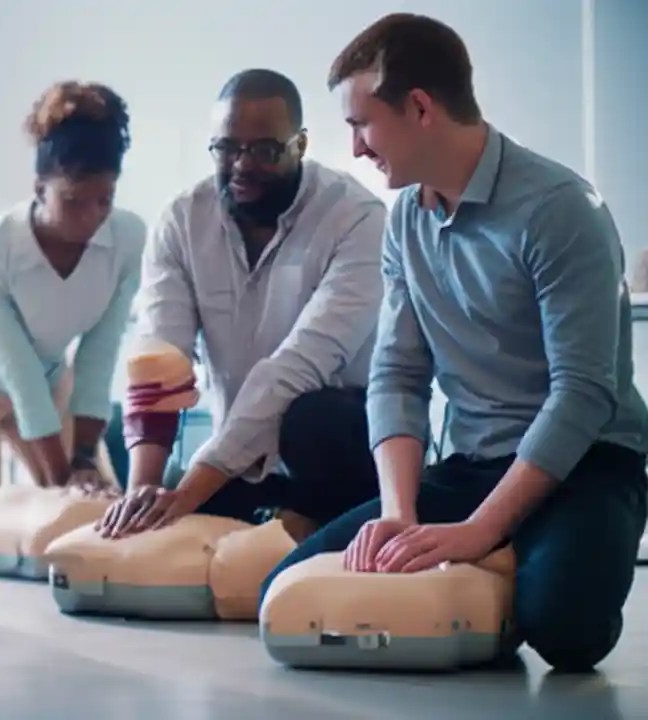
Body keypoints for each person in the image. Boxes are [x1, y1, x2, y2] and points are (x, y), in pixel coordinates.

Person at [260, 14, 648, 672]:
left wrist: (480, 531)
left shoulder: (560, 209)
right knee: (289, 590)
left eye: (361, 124)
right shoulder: (405, 222)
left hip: (588, 464)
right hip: (474, 463)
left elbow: (582, 393)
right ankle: (507, 555)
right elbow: (396, 377)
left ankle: (519, 551)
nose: (355, 147)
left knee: (568, 631)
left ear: (419, 108)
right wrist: (399, 513)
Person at [98, 69, 386, 542]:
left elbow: (299, 366)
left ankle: (314, 527)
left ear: (300, 145)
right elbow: (160, 357)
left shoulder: (357, 219)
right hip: (241, 459)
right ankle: (274, 521)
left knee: (313, 417)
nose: (241, 165)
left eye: (264, 150)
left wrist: (191, 488)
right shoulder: (183, 220)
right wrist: (142, 491)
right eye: (227, 148)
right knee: (173, 499)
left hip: (338, 452)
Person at [0, 81, 142, 532]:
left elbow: (99, 354)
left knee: (100, 517)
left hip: (51, 377)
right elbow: (18, 372)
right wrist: (63, 481)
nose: (91, 217)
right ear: (39, 188)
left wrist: (83, 461)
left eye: (104, 200)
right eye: (72, 201)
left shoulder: (128, 239)